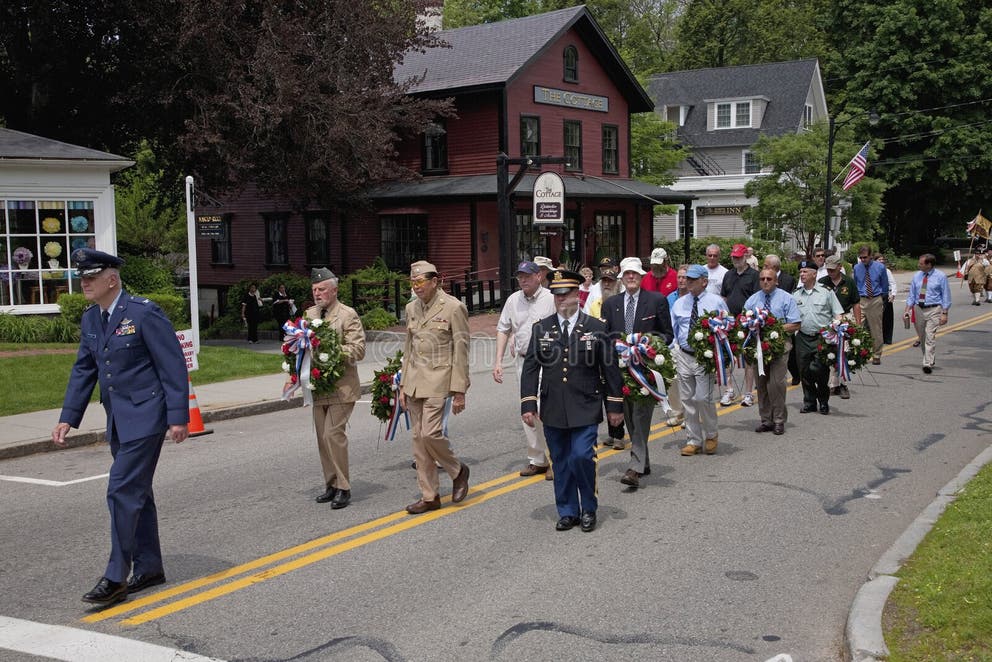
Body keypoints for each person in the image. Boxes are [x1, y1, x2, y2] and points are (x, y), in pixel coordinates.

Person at [52, 248, 189, 607]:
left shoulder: (143, 313)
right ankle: (150, 566)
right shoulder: (92, 319)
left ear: (111, 279)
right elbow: (85, 369)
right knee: (137, 494)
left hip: (146, 416)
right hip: (119, 418)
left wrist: (178, 417)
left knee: (120, 490)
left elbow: (172, 366)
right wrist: (69, 415)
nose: (83, 283)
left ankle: (115, 577)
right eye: (82, 277)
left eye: (90, 277)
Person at [520, 269, 624, 532]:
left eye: (565, 295)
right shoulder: (542, 328)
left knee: (582, 457)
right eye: (556, 295)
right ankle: (567, 510)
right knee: (561, 460)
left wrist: (614, 406)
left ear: (577, 295)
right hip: (553, 405)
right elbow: (531, 367)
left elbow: (609, 368)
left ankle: (588, 507)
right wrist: (528, 403)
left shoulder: (596, 328)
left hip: (585, 404)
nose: (560, 300)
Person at [399, 261, 471, 514]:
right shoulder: (411, 308)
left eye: (420, 282)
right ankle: (429, 496)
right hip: (415, 383)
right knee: (418, 441)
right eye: (413, 282)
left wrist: (460, 390)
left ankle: (457, 470)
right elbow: (408, 349)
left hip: (440, 380)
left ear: (435, 281)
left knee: (430, 434)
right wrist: (403, 386)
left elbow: (461, 351)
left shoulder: (453, 307)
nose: (416, 287)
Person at [601, 257, 674, 489]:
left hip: (646, 370)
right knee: (630, 419)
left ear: (642, 276)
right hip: (619, 371)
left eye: (635, 273)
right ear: (621, 278)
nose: (631, 277)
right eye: (627, 274)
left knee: (642, 417)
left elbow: (667, 335)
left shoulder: (656, 300)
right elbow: (605, 338)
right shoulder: (611, 304)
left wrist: (647, 344)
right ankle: (644, 461)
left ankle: (634, 467)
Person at [305, 268, 366, 510]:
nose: (317, 293)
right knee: (322, 437)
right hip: (319, 385)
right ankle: (330, 484)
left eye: (321, 289)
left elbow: (358, 350)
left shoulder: (347, 315)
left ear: (334, 290)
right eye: (314, 290)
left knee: (333, 434)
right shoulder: (310, 313)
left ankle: (344, 487)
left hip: (342, 386)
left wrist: (331, 350)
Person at [493, 261, 555, 478]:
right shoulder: (512, 300)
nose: (523, 280)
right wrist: (498, 361)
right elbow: (503, 329)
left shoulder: (551, 298)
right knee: (527, 409)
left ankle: (555, 459)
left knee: (546, 409)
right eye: (520, 277)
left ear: (539, 276)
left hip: (548, 361)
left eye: (527, 276)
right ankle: (537, 458)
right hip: (523, 362)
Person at [671, 265, 729, 456]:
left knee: (703, 398)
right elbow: (674, 329)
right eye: (687, 279)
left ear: (704, 281)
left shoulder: (716, 302)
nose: (688, 282)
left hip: (706, 356)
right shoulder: (680, 303)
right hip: (684, 354)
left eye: (693, 280)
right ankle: (693, 439)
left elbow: (727, 324)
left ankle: (711, 434)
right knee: (687, 399)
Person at [744, 268, 801, 435]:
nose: (765, 282)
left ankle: (778, 419)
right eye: (762, 279)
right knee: (761, 384)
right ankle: (766, 419)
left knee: (776, 383)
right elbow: (744, 320)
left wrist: (772, 328)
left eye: (769, 278)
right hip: (758, 348)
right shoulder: (753, 300)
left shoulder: (786, 298)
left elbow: (796, 323)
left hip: (780, 346)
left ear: (776, 281)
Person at [793, 260, 844, 415]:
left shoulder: (826, 292)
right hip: (802, 337)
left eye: (805, 272)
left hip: (822, 337)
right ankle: (809, 402)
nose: (802, 274)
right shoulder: (795, 294)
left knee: (820, 371)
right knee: (804, 371)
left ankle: (823, 401)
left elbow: (838, 313)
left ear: (814, 274)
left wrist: (838, 324)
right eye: (800, 272)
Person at [720, 244, 759, 407]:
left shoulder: (754, 275)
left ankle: (748, 393)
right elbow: (724, 297)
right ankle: (729, 390)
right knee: (727, 357)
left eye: (738, 257)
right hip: (729, 322)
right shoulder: (728, 275)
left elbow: (757, 299)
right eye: (733, 257)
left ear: (745, 257)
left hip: (747, 323)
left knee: (748, 359)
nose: (736, 260)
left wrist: (749, 319)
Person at [819, 254, 860, 399]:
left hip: (845, 318)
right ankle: (831, 384)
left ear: (840, 267)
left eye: (833, 270)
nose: (830, 272)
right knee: (829, 352)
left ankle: (841, 384)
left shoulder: (848, 282)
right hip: (828, 319)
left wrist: (858, 324)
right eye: (828, 270)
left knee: (844, 351)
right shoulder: (822, 282)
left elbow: (856, 303)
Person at [904, 253, 951, 374]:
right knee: (922, 336)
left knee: (929, 336)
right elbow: (912, 295)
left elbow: (946, 295)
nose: (918, 265)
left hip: (934, 309)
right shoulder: (917, 276)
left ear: (929, 264)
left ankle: (927, 363)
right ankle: (930, 357)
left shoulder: (940, 276)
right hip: (918, 309)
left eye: (921, 263)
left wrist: (944, 312)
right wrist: (907, 309)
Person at [852, 245, 889, 365]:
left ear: (871, 256)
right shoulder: (857, 268)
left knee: (875, 329)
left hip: (875, 299)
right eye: (861, 258)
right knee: (858, 328)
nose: (863, 260)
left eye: (865, 257)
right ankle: (860, 352)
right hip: (861, 299)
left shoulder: (880, 267)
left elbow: (885, 284)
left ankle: (877, 354)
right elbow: (856, 283)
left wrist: (883, 298)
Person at [664, 265, 689, 427]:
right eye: (679, 277)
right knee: (671, 379)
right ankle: (676, 411)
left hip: (686, 344)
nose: (680, 280)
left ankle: (689, 415)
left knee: (686, 380)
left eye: (684, 277)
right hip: (671, 344)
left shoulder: (693, 299)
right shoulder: (669, 298)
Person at [876, 253, 898, 343]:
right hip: (876, 296)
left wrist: (893, 294)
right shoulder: (871, 270)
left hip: (886, 296)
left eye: (882, 259)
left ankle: (887, 338)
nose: (881, 261)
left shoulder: (887, 271)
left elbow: (892, 283)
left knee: (887, 318)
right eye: (879, 259)